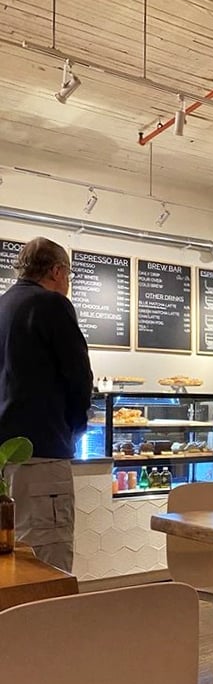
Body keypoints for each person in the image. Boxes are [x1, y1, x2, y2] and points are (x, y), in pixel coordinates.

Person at [0, 236, 93, 573]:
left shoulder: (3, 305)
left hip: (5, 458)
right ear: (56, 271)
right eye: (68, 275)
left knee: (13, 564)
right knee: (46, 561)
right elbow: (79, 378)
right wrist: (74, 429)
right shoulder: (51, 304)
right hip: (41, 457)